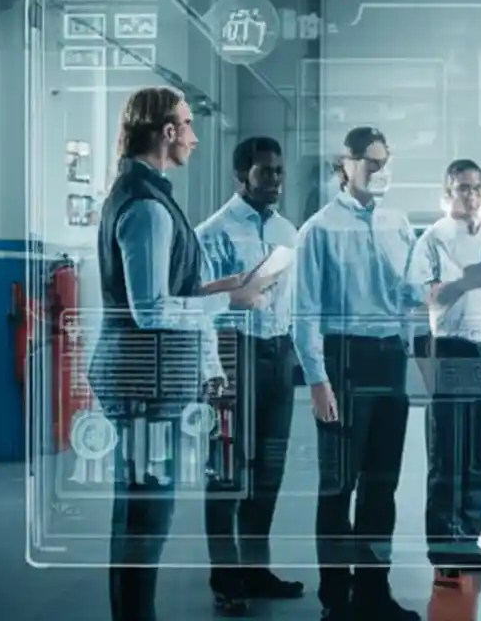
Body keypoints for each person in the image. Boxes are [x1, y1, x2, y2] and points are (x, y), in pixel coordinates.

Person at [88, 86, 265, 621]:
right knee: (146, 514)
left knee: (143, 509)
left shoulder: (148, 194)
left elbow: (168, 296)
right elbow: (150, 310)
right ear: (167, 133)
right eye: (187, 124)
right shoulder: (145, 206)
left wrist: (218, 290)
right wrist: (229, 300)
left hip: (152, 379)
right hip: (143, 381)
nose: (193, 134)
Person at [293, 126, 421, 621]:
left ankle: (372, 594)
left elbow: (411, 296)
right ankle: (336, 601)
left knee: (381, 487)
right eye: (369, 161)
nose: (378, 170)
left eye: (384, 161)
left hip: (390, 361)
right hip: (344, 364)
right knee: (337, 487)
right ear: (344, 165)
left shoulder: (398, 222)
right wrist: (318, 381)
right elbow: (303, 314)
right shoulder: (318, 231)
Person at [195, 136, 305, 615]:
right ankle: (226, 577)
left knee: (269, 471)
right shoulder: (213, 232)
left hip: (278, 355)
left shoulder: (287, 229)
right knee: (228, 473)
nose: (276, 180)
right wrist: (214, 376)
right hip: (233, 353)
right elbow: (201, 308)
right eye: (266, 171)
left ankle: (257, 571)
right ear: (242, 175)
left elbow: (293, 299)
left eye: (279, 171)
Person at [406, 159, 481, 571]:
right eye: (463, 189)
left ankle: (469, 541)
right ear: (448, 191)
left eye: (476, 188)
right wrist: (467, 281)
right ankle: (443, 546)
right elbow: (426, 296)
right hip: (451, 350)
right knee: (448, 453)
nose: (471, 196)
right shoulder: (433, 239)